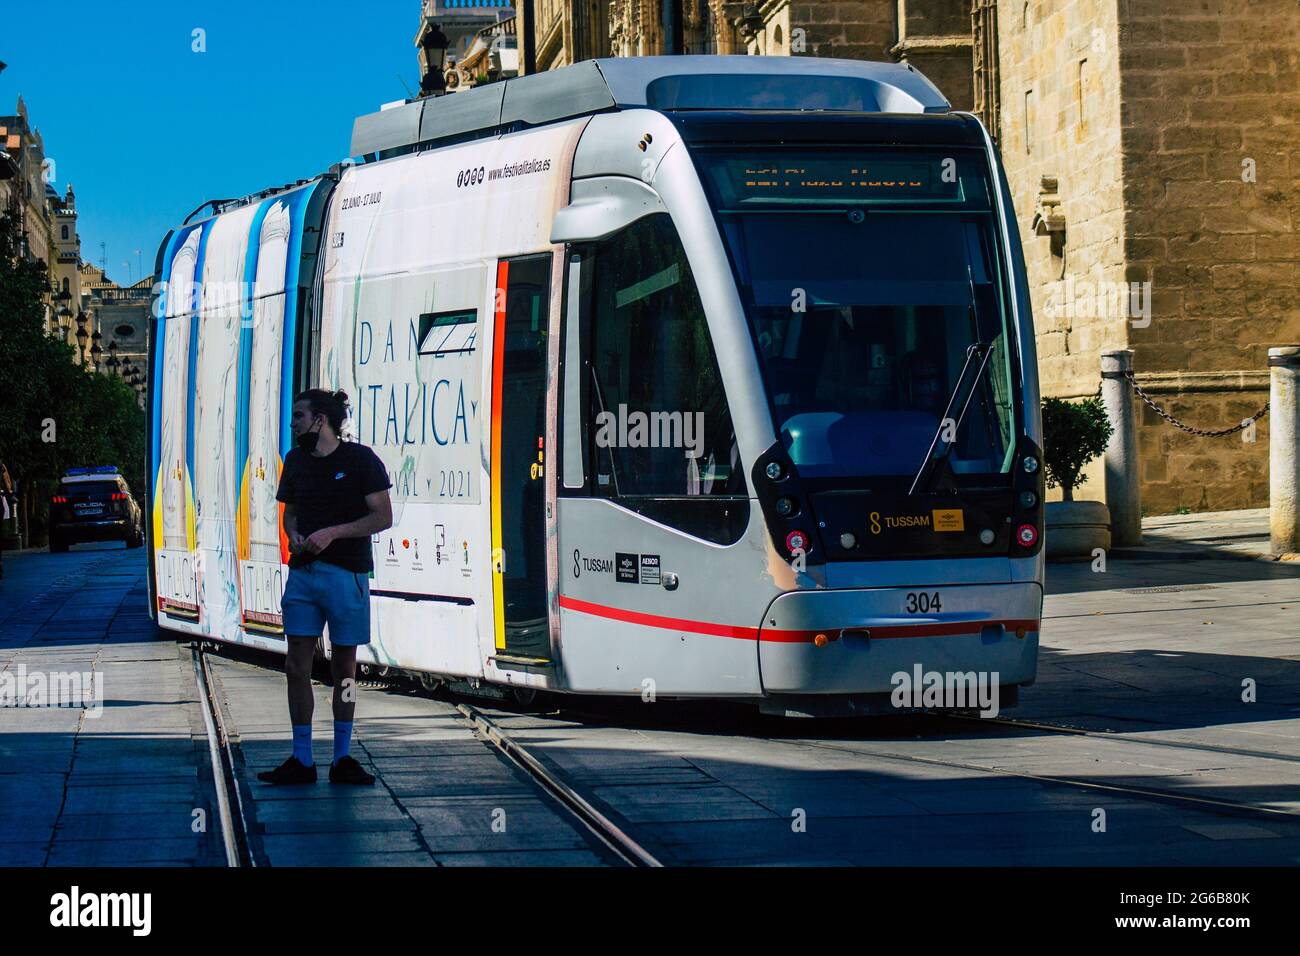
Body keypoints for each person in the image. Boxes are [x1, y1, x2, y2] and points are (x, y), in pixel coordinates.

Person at [257, 389, 393, 786]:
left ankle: (342, 756)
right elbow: (290, 515)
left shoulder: (360, 460)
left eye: (299, 416)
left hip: (346, 573)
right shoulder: (296, 462)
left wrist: (333, 533)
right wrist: (295, 533)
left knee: (344, 669)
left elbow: (382, 516)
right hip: (303, 574)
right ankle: (301, 757)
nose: (293, 423)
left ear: (321, 420)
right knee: (295, 664)